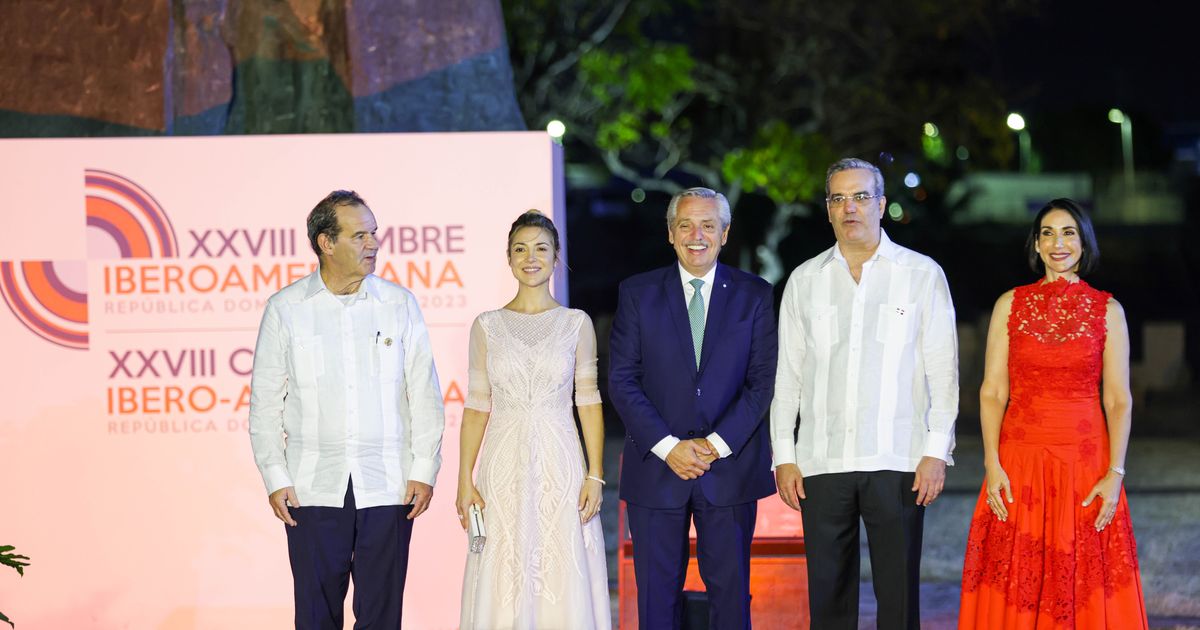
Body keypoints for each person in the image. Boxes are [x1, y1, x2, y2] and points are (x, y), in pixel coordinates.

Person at [770, 157, 959, 629]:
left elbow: (943, 370)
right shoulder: (804, 280)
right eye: (838, 198)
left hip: (898, 459)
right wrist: (784, 456)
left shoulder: (921, 274)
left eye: (860, 197)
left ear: (881, 204)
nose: (849, 207)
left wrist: (936, 451)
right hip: (822, 461)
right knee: (828, 598)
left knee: (897, 597)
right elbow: (787, 375)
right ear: (828, 209)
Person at [248, 190, 445, 629]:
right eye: (360, 235)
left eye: (374, 233)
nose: (373, 244)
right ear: (325, 243)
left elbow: (425, 395)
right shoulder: (286, 309)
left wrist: (424, 469)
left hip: (390, 483)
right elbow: (264, 405)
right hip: (311, 485)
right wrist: (276, 477)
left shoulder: (399, 304)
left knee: (382, 617)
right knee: (316, 616)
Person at [958, 199, 1148, 628]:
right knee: (1017, 583)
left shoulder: (1108, 311)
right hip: (1020, 463)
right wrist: (992, 463)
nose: (1057, 243)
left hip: (1086, 464)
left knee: (1081, 584)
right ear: (1036, 243)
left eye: (1068, 233)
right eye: (1047, 233)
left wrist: (1115, 473)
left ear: (1084, 242)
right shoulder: (1010, 304)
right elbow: (992, 391)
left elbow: (1118, 399)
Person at [609, 187, 778, 630]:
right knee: (657, 604)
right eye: (685, 225)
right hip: (656, 468)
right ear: (670, 233)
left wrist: (714, 445)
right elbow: (622, 380)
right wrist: (669, 447)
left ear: (725, 233)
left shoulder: (754, 295)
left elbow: (761, 383)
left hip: (729, 469)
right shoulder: (637, 293)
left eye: (708, 225)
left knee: (731, 600)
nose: (696, 235)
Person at [456, 210, 611, 629]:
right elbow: (476, 406)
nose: (531, 257)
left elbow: (589, 402)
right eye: (520, 249)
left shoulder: (575, 324)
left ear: (556, 257)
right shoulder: (487, 326)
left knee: (561, 564)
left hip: (559, 463)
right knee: (502, 564)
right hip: (502, 466)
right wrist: (464, 479)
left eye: (541, 248)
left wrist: (595, 475)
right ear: (508, 259)